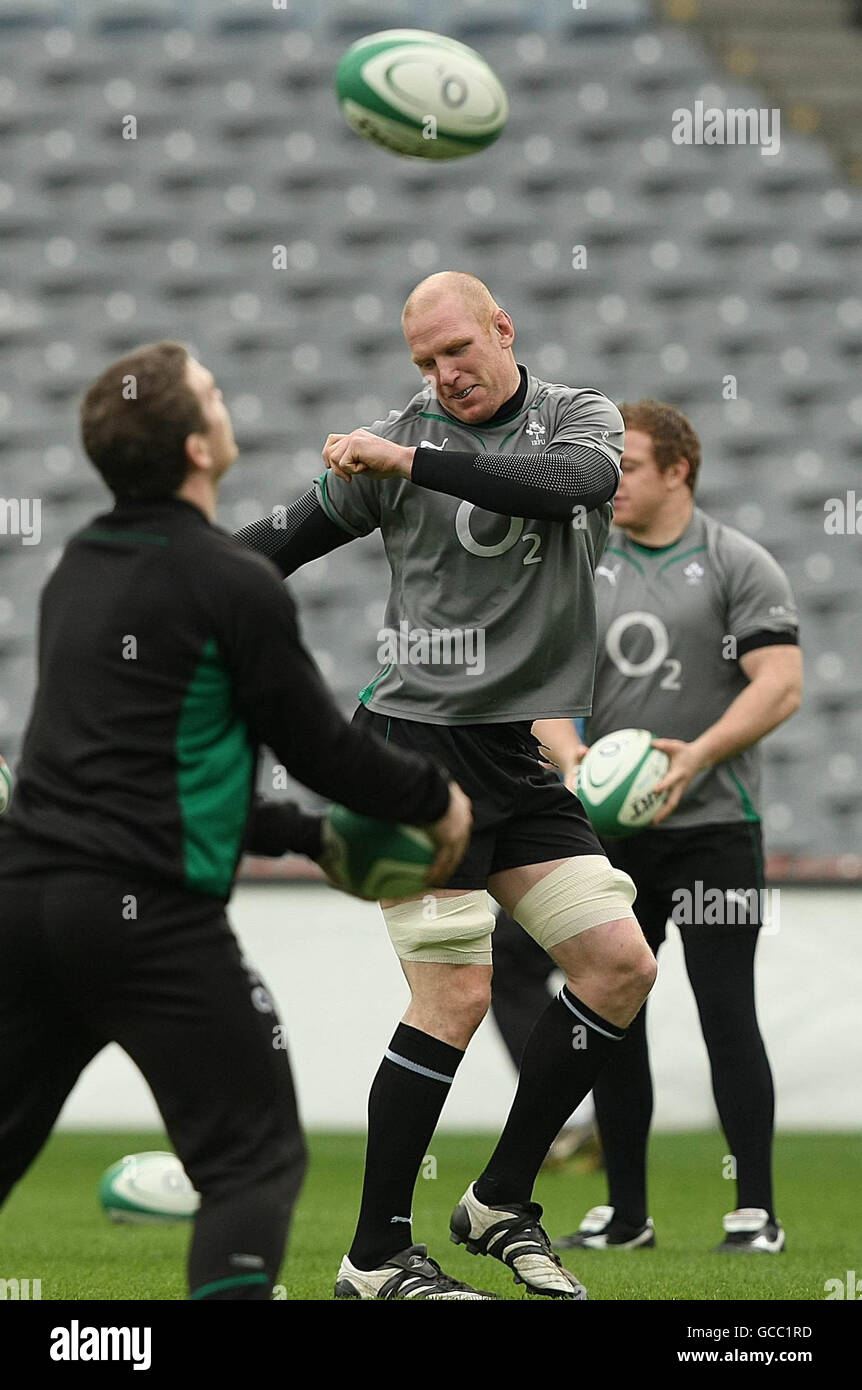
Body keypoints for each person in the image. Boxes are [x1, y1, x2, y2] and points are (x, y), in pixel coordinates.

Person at [0, 340, 472, 1301]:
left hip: (21, 908)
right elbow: (320, 750)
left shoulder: (74, 571)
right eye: (213, 392)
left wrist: (307, 840)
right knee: (253, 1163)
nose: (226, 402)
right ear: (196, 447)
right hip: (146, 918)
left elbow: (141, 779)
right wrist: (434, 801)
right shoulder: (231, 580)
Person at [234, 271, 657, 1300]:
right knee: (456, 992)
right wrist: (160, 584)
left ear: (503, 330)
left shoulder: (576, 418)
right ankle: (375, 1255)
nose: (443, 374)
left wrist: (412, 459)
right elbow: (271, 549)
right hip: (414, 755)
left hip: (512, 752)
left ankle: (500, 1197)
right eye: (424, 361)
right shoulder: (390, 444)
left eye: (458, 349)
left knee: (617, 964)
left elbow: (569, 489)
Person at [498, 399, 801, 1255]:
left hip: (713, 831)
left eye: (627, 465)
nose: (611, 481)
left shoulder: (741, 563)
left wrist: (692, 758)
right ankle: (627, 1215)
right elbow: (539, 693)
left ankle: (756, 1211)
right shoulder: (579, 560)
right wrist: (576, 760)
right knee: (610, 1004)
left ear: (678, 470)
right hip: (608, 831)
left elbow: (779, 685)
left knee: (724, 1012)